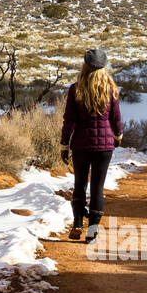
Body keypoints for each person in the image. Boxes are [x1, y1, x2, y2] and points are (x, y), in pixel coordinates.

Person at [60, 47, 122, 243]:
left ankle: (78, 222)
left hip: (81, 144)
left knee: (79, 184)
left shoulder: (75, 89)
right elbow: (116, 118)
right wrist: (118, 136)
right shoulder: (110, 89)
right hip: (104, 147)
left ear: (85, 66)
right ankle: (92, 231)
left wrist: (64, 144)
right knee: (97, 187)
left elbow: (69, 120)